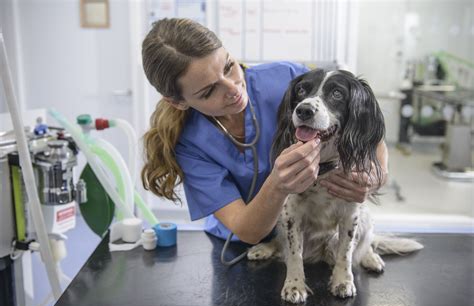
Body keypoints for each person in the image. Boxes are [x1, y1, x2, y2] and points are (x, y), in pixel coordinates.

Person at [141, 18, 388, 245]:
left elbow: (364, 126)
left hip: (309, 235)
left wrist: (375, 177)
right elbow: (248, 231)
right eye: (208, 91)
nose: (233, 89)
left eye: (228, 66)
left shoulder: (287, 78)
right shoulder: (190, 145)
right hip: (242, 247)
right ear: (178, 101)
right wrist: (277, 185)